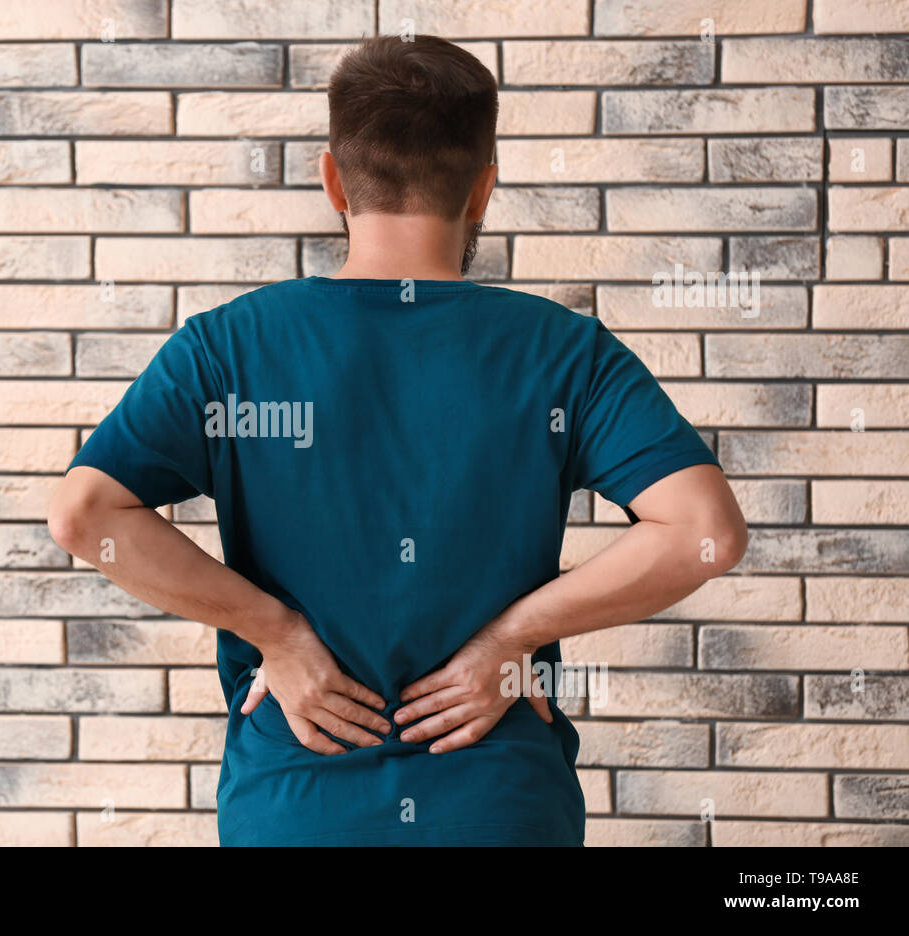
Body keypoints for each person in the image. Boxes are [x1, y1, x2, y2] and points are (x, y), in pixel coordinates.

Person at [49, 35, 748, 846]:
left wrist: (276, 632)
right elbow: (705, 533)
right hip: (498, 803)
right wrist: (508, 642)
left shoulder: (228, 347)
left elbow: (84, 516)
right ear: (483, 188)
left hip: (296, 807)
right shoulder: (564, 352)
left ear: (333, 180)